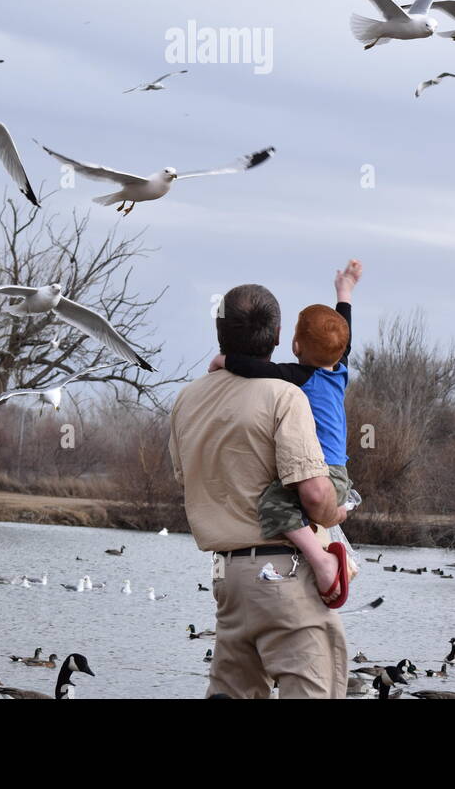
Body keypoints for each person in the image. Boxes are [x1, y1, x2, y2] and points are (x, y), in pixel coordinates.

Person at [168, 280, 349, 699]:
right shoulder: (286, 396)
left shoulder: (187, 400)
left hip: (228, 580)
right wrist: (337, 513)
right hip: (284, 575)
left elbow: (187, 479)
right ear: (279, 338)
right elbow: (317, 496)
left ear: (220, 334)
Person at [208, 260, 361, 606]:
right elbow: (345, 331)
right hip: (337, 469)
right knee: (297, 503)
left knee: (274, 504)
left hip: (324, 473)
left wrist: (224, 362)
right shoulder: (339, 370)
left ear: (293, 345)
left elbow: (254, 368)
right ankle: (343, 509)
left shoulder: (298, 376)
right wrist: (344, 292)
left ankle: (322, 561)